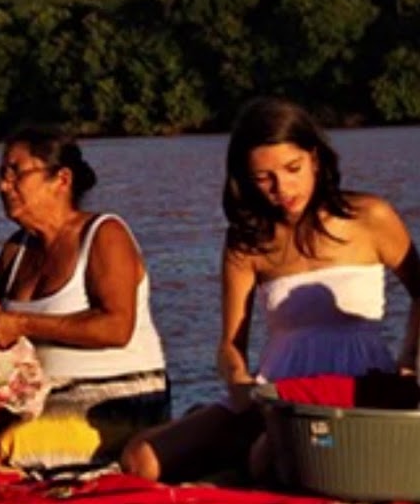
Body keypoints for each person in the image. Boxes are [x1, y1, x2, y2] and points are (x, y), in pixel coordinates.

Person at [122, 97, 420, 482]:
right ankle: (222, 439)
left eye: (292, 169)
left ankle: (239, 460)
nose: (282, 188)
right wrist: (242, 389)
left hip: (358, 393)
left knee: (271, 462)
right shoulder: (247, 241)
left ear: (314, 158)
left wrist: (408, 359)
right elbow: (230, 346)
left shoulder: (369, 217)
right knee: (139, 459)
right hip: (276, 396)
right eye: (264, 178)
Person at [0, 126, 168, 470]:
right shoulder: (15, 250)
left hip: (118, 400)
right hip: (37, 399)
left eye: (16, 173)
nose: (4, 186)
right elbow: (3, 335)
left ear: (61, 179)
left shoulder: (104, 234)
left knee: (10, 446)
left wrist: (21, 322)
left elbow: (116, 327)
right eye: (1, 175)